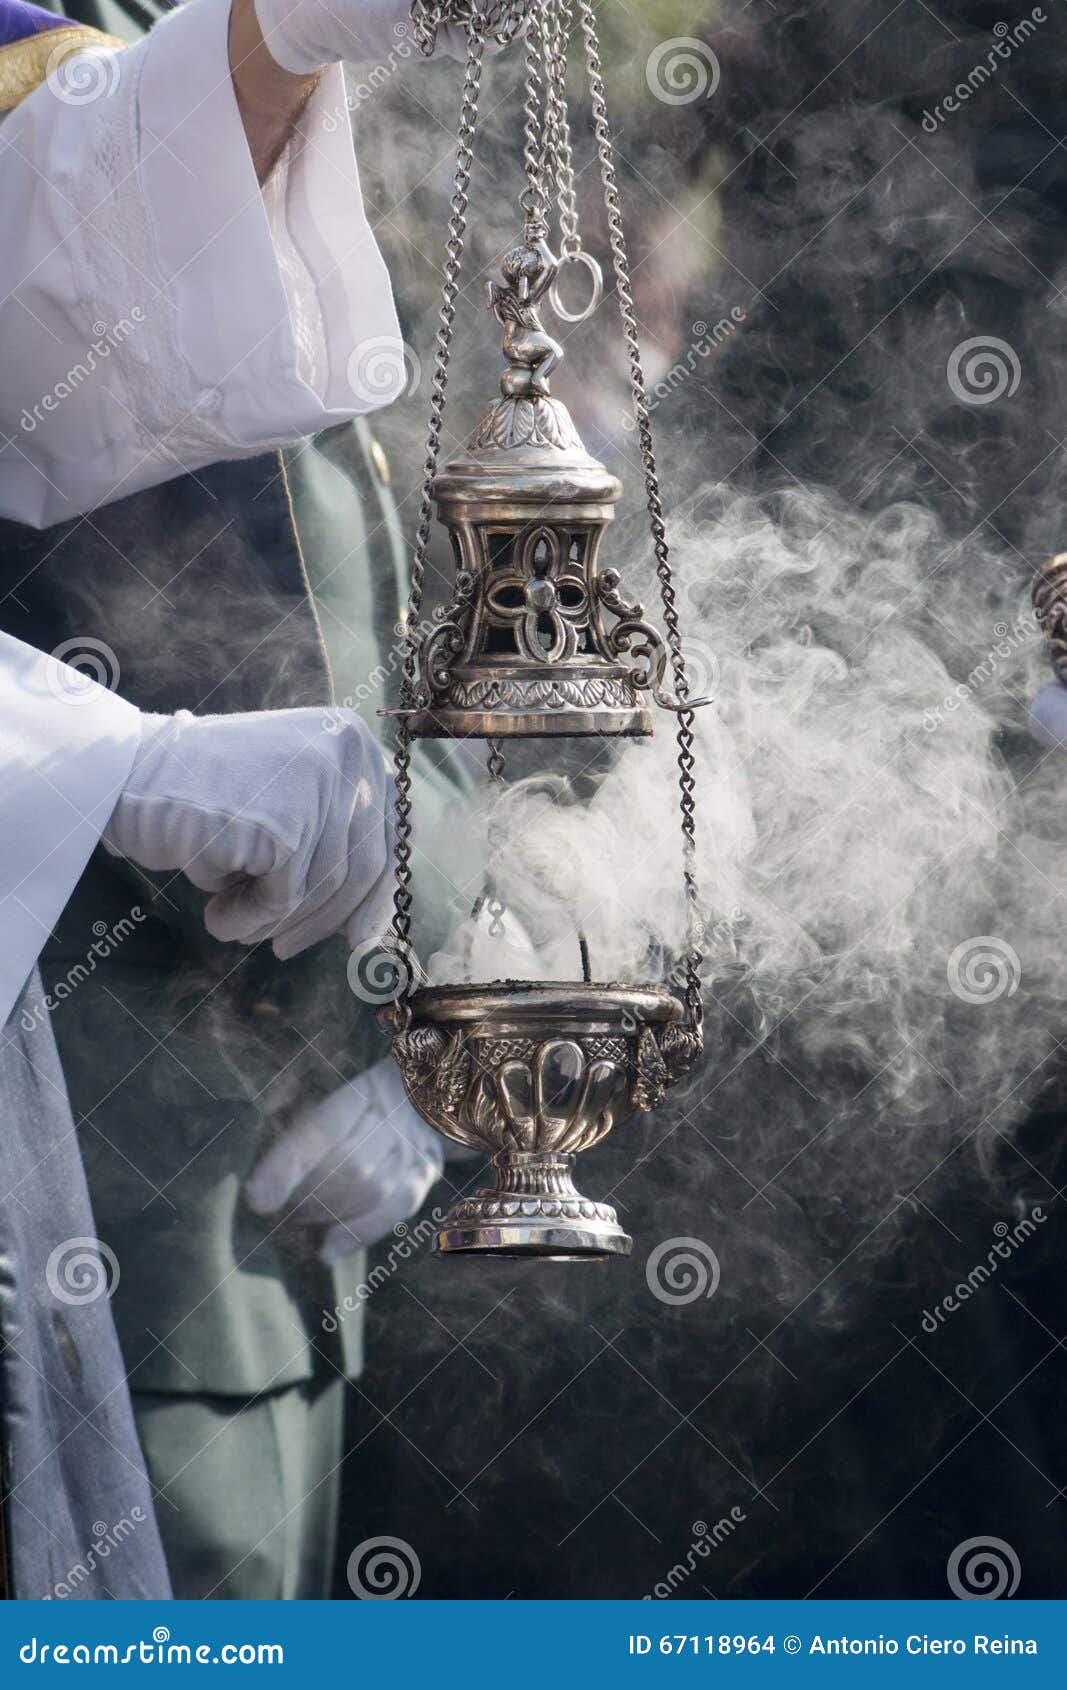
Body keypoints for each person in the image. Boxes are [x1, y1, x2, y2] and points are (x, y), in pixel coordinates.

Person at [0, 0, 498, 1597]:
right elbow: (98, 193)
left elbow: (426, 641)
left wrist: (464, 1002)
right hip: (77, 1204)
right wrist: (95, 765)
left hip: (285, 1267)